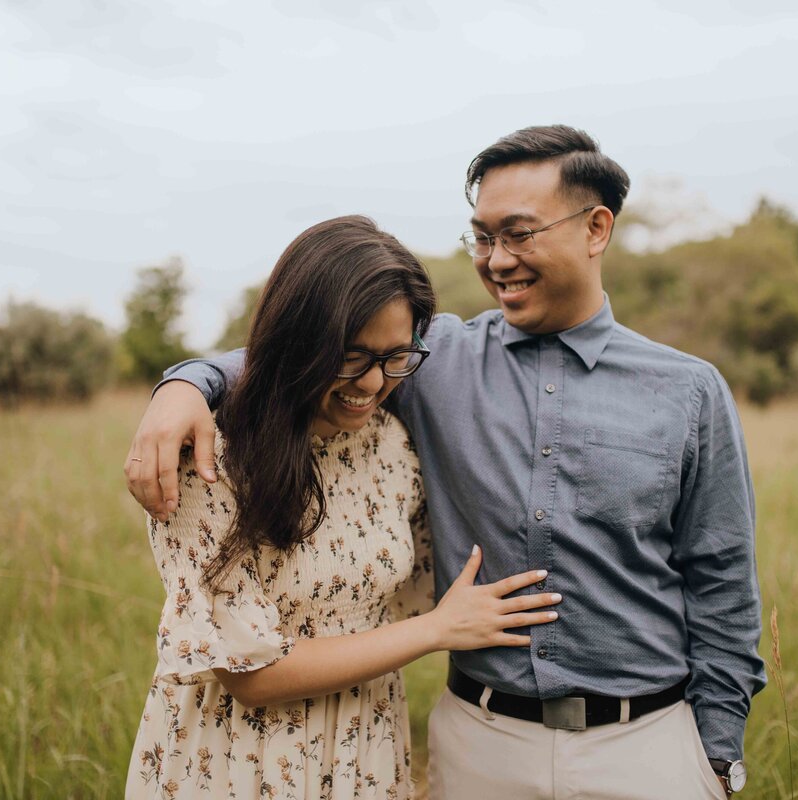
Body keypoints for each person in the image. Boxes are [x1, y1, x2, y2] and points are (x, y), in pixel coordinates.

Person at [127, 127, 765, 799]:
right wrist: (186, 384)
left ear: (596, 227)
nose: (496, 260)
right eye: (482, 237)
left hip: (646, 747)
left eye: (518, 234)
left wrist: (717, 755)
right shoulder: (432, 361)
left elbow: (722, 579)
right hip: (482, 743)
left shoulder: (688, 390)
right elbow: (302, 351)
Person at [124, 215, 563, 800]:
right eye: (351, 357)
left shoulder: (390, 440)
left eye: (396, 356)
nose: (373, 382)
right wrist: (438, 631)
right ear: (298, 342)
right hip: (238, 762)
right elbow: (251, 674)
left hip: (363, 749)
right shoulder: (209, 454)